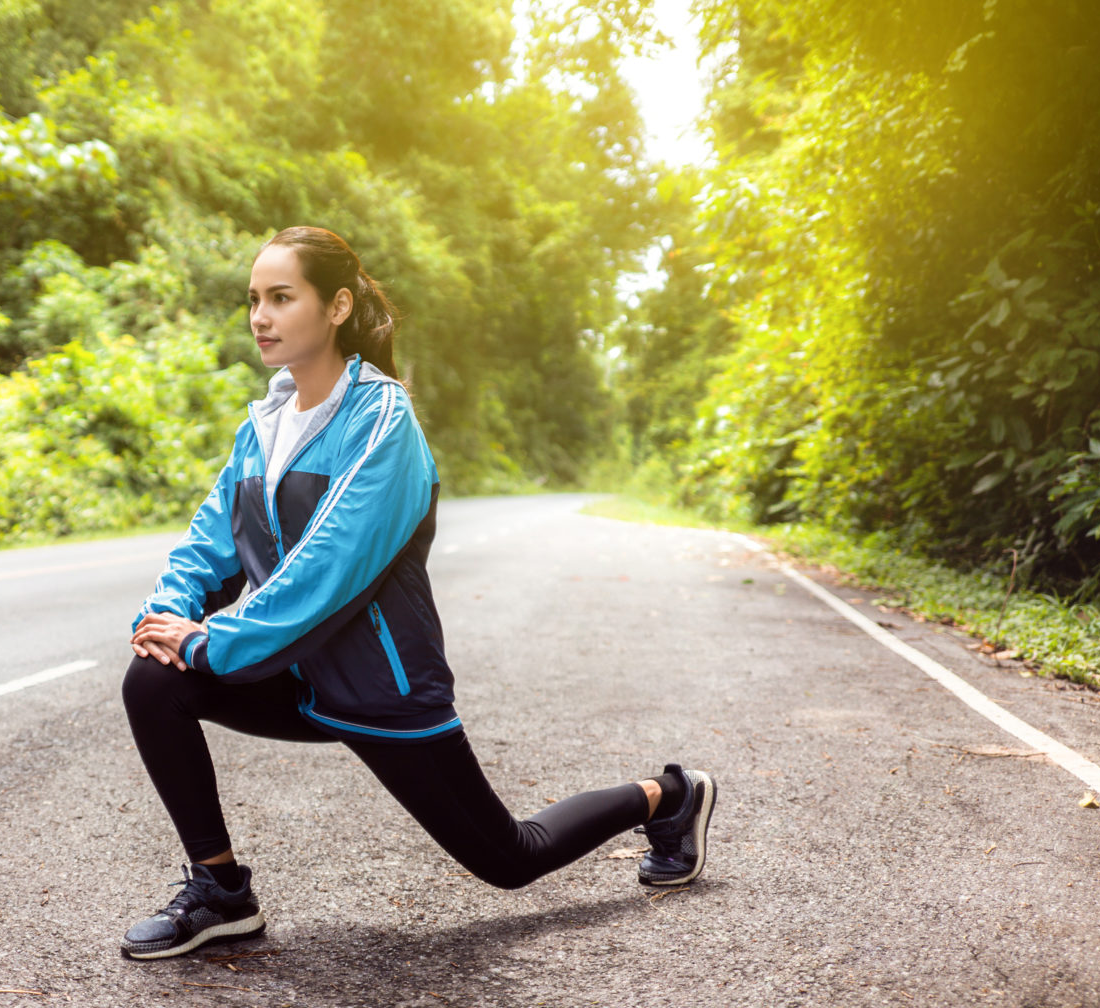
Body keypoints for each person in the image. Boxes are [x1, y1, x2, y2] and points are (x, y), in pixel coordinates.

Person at [119, 226, 716, 960]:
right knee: (154, 680)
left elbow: (327, 567)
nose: (261, 317)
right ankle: (221, 893)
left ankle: (669, 794)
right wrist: (166, 615)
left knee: (510, 858)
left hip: (381, 692)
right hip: (292, 675)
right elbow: (209, 537)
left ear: (336, 306)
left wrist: (211, 641)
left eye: (282, 297)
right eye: (253, 300)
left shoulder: (383, 421)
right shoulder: (265, 425)